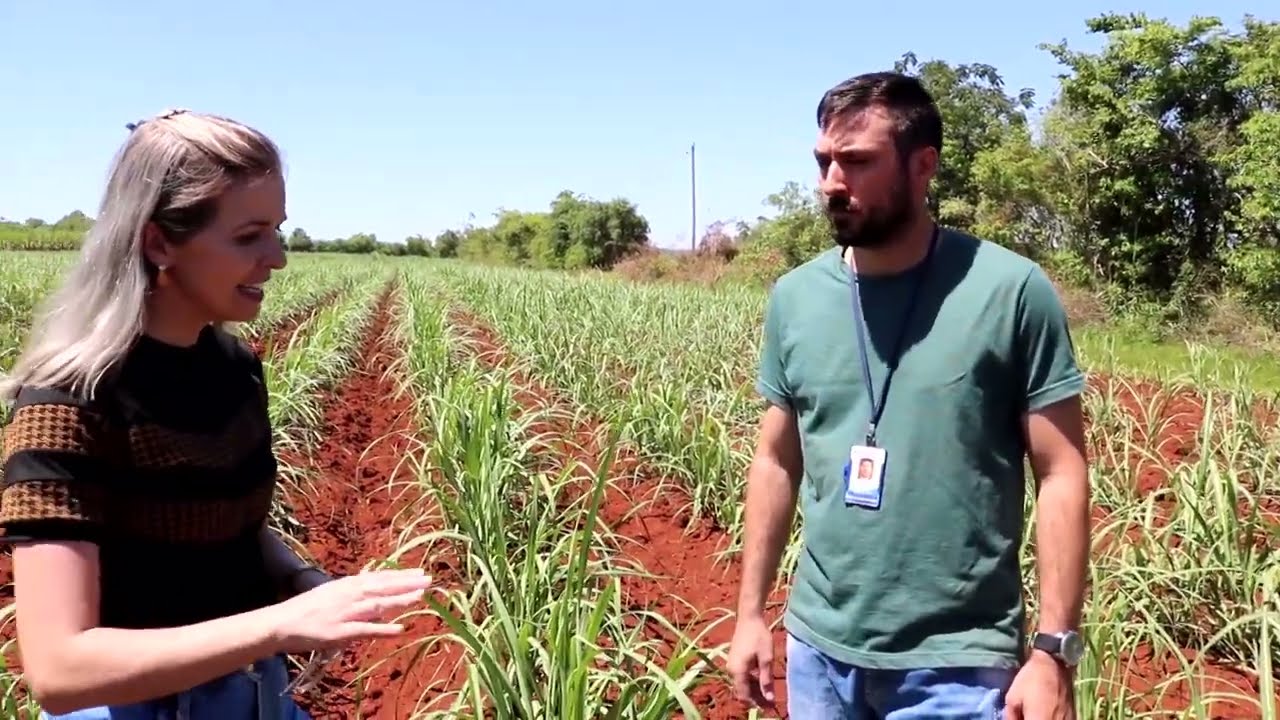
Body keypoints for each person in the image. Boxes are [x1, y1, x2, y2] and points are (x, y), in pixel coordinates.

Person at [0, 108, 432, 719]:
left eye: (277, 230)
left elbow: (231, 525)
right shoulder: (66, 403)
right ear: (159, 242)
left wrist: (304, 582)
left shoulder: (234, 368)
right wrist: (280, 624)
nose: (277, 257)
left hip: (253, 694)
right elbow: (59, 670)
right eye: (249, 235)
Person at [726, 72, 1090, 720]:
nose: (831, 182)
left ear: (923, 166)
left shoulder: (1010, 292)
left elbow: (1062, 472)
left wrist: (1053, 653)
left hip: (956, 668)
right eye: (823, 161)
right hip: (818, 655)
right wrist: (751, 614)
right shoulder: (795, 298)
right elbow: (776, 460)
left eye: (857, 161)